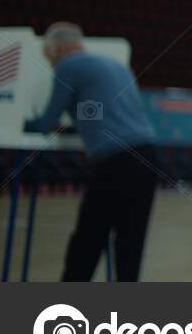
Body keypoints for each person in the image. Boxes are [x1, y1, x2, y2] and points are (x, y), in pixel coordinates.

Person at [23, 22, 159, 281]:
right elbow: (109, 116)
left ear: (59, 48)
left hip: (116, 162)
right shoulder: (115, 66)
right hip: (147, 155)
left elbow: (45, 122)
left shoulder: (68, 66)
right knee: (130, 244)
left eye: (49, 56)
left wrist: (9, 120)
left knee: (88, 240)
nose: (50, 64)